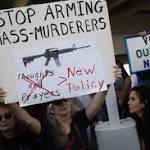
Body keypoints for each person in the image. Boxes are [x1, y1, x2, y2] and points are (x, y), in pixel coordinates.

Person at [0, 66, 122, 150]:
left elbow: (96, 104)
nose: (62, 104)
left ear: (70, 103)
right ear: (51, 109)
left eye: (64, 101)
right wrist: (6, 99)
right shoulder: (46, 128)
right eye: (57, 103)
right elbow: (27, 120)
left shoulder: (79, 120)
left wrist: (109, 80)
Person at [128, 85, 150, 150]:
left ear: (144, 103)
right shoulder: (137, 119)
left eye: (133, 99)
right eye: (129, 99)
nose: (129, 102)